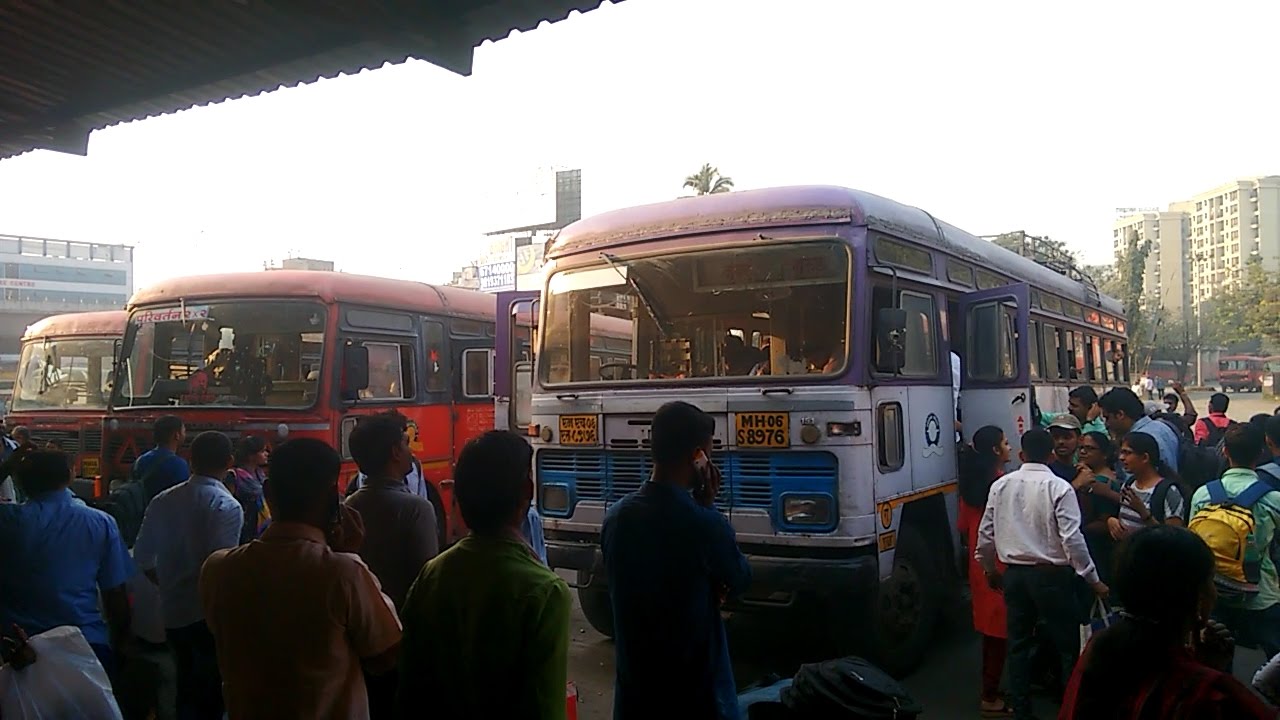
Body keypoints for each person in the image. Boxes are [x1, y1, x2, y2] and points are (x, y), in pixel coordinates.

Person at [202, 438, 401, 720]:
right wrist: (352, 556)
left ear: (268, 492)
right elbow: (386, 656)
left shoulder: (218, 569)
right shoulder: (344, 574)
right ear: (334, 498)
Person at [397, 431, 570, 719]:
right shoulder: (546, 591)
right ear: (527, 491)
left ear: (460, 498)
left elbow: (409, 688)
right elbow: (545, 706)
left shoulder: (435, 572)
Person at [602, 401, 751, 720]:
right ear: (697, 456)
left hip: (636, 695)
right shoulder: (703, 523)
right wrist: (707, 506)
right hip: (693, 695)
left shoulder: (616, 518)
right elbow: (740, 579)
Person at [1060, 525, 1274, 719]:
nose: (1215, 592)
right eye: (1210, 581)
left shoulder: (1100, 647)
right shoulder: (1210, 692)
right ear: (1197, 596)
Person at [976, 429, 1107, 720]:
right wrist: (1093, 580)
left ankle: (1023, 710)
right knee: (1066, 645)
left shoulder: (1001, 485)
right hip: (1052, 576)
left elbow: (986, 534)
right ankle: (1067, 706)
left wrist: (989, 569)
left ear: (1022, 455)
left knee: (1019, 644)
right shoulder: (1059, 487)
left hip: (1013, 574)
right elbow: (1073, 540)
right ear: (1050, 455)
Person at [133, 431, 241, 720]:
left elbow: (142, 557)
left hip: (172, 611)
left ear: (189, 459)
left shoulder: (163, 500)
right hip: (207, 614)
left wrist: (167, 583)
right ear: (230, 461)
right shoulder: (226, 505)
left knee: (184, 682)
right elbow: (221, 568)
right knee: (210, 691)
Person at [0, 448, 134, 674]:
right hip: (86, 647)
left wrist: (7, 467)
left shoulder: (7, 522)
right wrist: (121, 649)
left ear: (20, 482)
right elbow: (116, 596)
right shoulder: (101, 523)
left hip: (18, 652)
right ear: (71, 475)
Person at [1189, 424, 1280, 659]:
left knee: (1216, 657)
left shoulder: (1203, 494)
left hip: (1214, 590)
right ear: (1261, 453)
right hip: (1261, 592)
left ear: (1224, 451)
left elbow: (1192, 544)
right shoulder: (1272, 499)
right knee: (1274, 660)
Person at [957, 426, 1014, 717]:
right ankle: (990, 696)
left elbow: (964, 528)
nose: (1009, 447)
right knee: (1001, 634)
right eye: (1005, 442)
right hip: (1000, 564)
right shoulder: (1001, 484)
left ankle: (990, 689)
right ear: (996, 451)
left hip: (980, 566)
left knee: (991, 634)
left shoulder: (970, 487)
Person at [1108, 432, 1186, 541]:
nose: (1121, 458)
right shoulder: (1129, 484)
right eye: (1121, 452)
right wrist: (1112, 521)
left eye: (1128, 453)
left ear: (1145, 457)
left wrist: (1143, 513)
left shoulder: (1168, 491)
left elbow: (1174, 538)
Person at [1099, 387, 1182, 475]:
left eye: (1107, 418)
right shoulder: (1162, 426)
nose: (1106, 424)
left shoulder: (1139, 441)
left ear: (1120, 415)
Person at [225, 435, 270, 543]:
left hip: (260, 528)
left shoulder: (260, 474)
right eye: (262, 451)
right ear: (251, 455)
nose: (266, 454)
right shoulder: (234, 476)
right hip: (243, 527)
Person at [130, 415, 189, 495]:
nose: (185, 434)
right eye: (184, 431)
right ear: (177, 436)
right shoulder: (179, 465)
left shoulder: (140, 461)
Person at [1046, 414, 1082, 480]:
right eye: (1055, 437)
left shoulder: (1081, 471)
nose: (1060, 442)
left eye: (1067, 437)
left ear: (1079, 440)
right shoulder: (1046, 471)